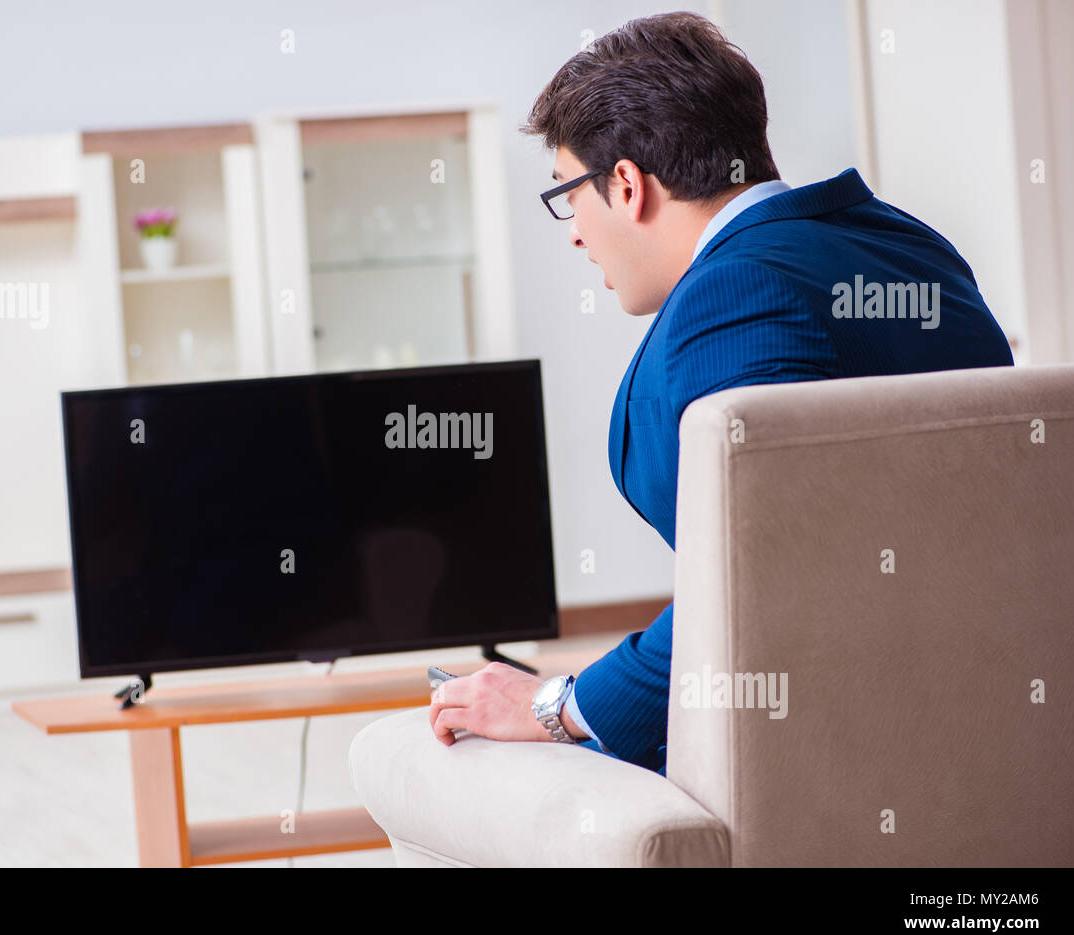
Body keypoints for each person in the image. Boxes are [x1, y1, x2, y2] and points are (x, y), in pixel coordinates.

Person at [428, 11, 1013, 774]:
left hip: (842, 744)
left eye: (568, 193)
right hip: (1000, 688)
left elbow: (771, 574)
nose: (573, 232)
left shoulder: (734, 292)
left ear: (628, 185)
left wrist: (557, 705)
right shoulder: (905, 243)